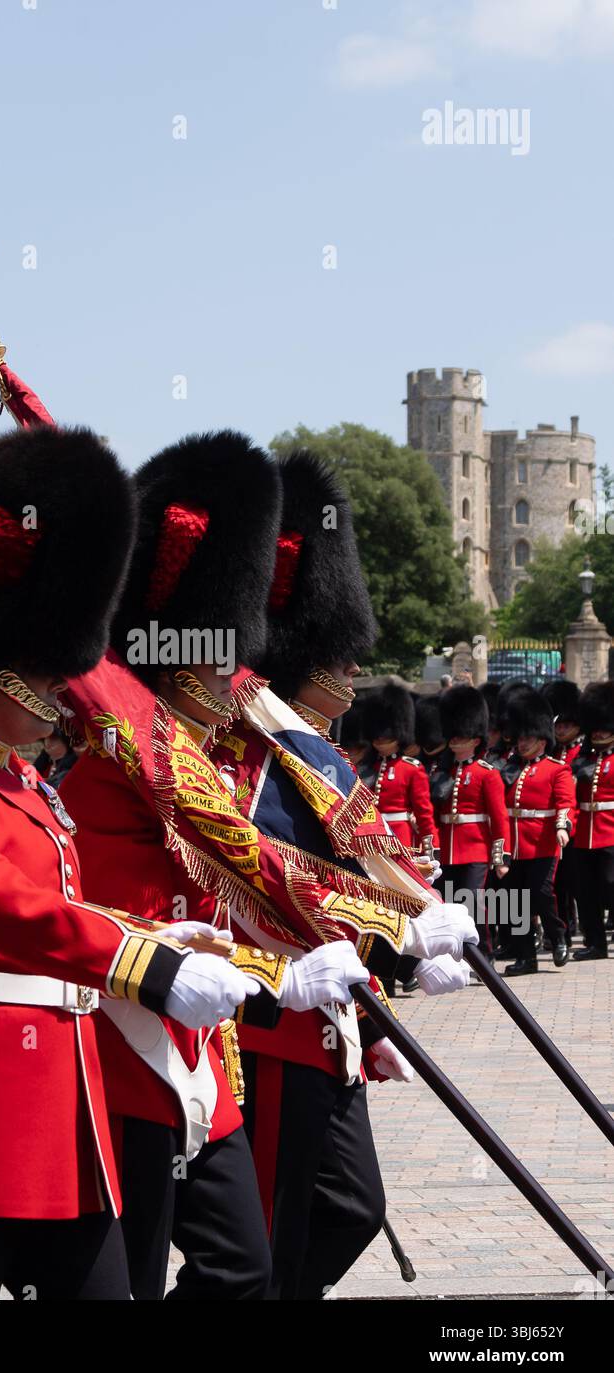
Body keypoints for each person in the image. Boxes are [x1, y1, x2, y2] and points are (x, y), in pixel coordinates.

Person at [0, 423, 261, 1301]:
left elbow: (62, 908)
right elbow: (0, 908)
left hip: (68, 1113)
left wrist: (151, 932)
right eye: (44, 674)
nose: (60, 702)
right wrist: (141, 961)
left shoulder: (35, 792)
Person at [62, 431, 357, 1300]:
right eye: (216, 661)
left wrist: (398, 932)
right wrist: (283, 976)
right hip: (135, 1046)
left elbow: (255, 877)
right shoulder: (113, 773)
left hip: (207, 1052)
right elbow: (133, 925)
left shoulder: (194, 764)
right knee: (141, 1274)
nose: (234, 680)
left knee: (242, 1268)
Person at [211, 449, 477, 1299]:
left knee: (346, 1213)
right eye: (340, 653)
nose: (354, 669)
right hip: (276, 1025)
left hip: (330, 1021)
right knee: (279, 1235)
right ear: (302, 658)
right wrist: (397, 944)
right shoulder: (262, 760)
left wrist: (381, 1004)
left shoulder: (316, 752)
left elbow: (350, 882)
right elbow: (287, 889)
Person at [499, 689, 573, 976]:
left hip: (542, 842)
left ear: (542, 740)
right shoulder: (509, 768)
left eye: (527, 737)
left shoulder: (556, 769)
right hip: (515, 844)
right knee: (516, 899)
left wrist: (562, 826)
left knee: (542, 895)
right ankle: (525, 957)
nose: (522, 742)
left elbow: (564, 801)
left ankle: (558, 936)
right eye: (520, 737)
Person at [435, 683, 510, 957]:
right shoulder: (442, 771)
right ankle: (459, 955)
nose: (454, 741)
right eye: (452, 736)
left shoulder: (486, 774)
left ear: (475, 739)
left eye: (461, 736)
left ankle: (485, 953)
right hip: (448, 848)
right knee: (450, 905)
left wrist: (501, 856)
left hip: (476, 847)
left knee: (473, 902)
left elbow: (498, 817)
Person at [358, 680, 439, 863]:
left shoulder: (411, 769)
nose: (380, 739)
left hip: (400, 838)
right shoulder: (365, 768)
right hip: (369, 838)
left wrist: (432, 849)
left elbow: (424, 814)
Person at [570, 680, 614, 962]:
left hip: (611, 830)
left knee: (611, 884)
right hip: (584, 830)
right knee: (585, 892)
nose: (599, 731)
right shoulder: (580, 756)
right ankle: (595, 942)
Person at [543, 679, 582, 939]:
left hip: (579, 823)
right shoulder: (553, 751)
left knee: (571, 880)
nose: (561, 728)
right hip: (555, 823)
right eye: (558, 724)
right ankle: (564, 929)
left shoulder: (582, 750)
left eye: (566, 724)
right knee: (558, 882)